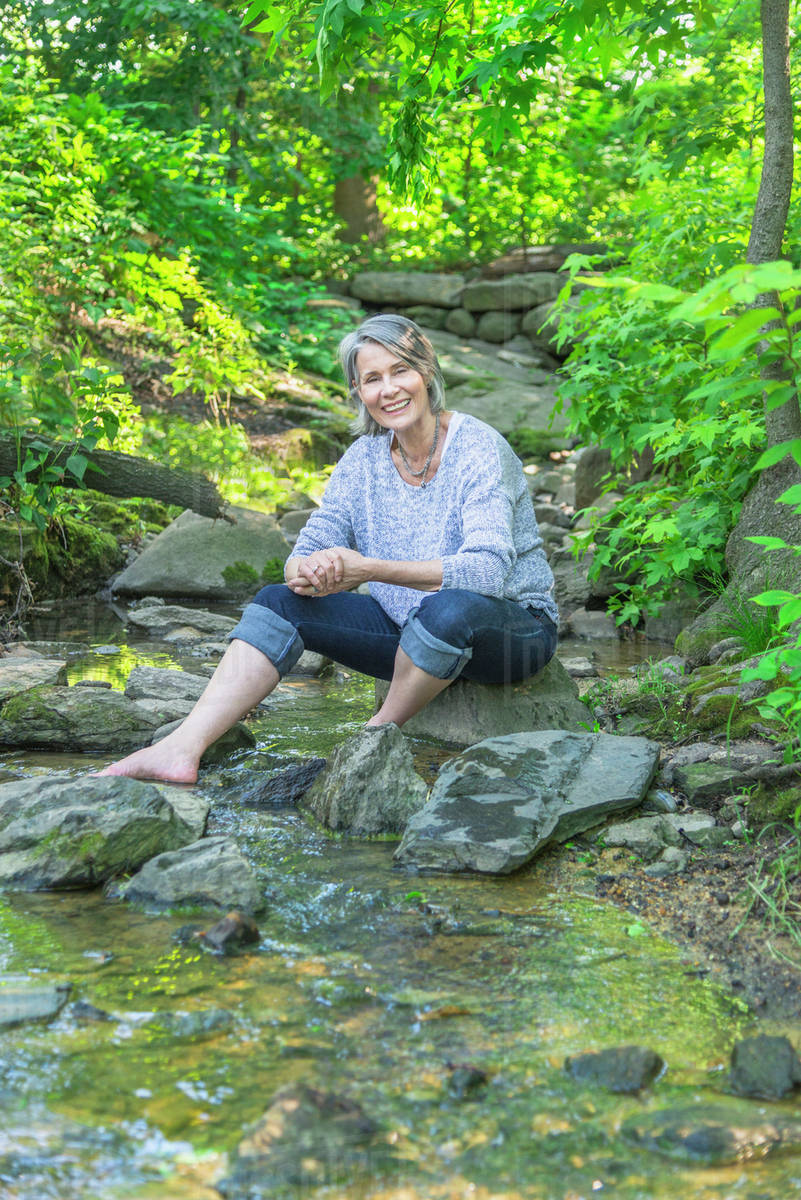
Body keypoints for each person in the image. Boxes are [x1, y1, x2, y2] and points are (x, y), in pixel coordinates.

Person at [100, 314, 558, 784]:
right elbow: (310, 544)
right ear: (358, 392)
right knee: (277, 601)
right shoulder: (362, 459)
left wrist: (369, 569)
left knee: (451, 608)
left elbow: (487, 574)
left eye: (401, 370)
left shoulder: (478, 447)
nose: (389, 389)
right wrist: (307, 569)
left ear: (427, 371)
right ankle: (182, 748)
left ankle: (370, 739)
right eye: (372, 379)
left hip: (510, 630)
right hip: (407, 632)